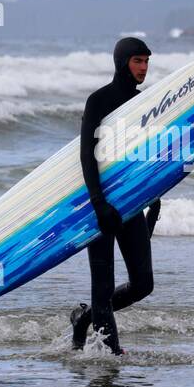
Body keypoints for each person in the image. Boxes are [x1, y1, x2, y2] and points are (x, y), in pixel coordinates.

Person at [70, 37, 161, 355]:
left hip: (129, 202)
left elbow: (141, 155)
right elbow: (87, 155)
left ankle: (84, 320)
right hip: (99, 206)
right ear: (123, 62)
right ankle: (112, 356)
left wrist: (152, 194)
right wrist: (98, 203)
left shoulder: (143, 104)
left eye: (147, 62)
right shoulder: (99, 101)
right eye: (138, 61)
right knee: (103, 288)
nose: (144, 68)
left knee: (143, 283)